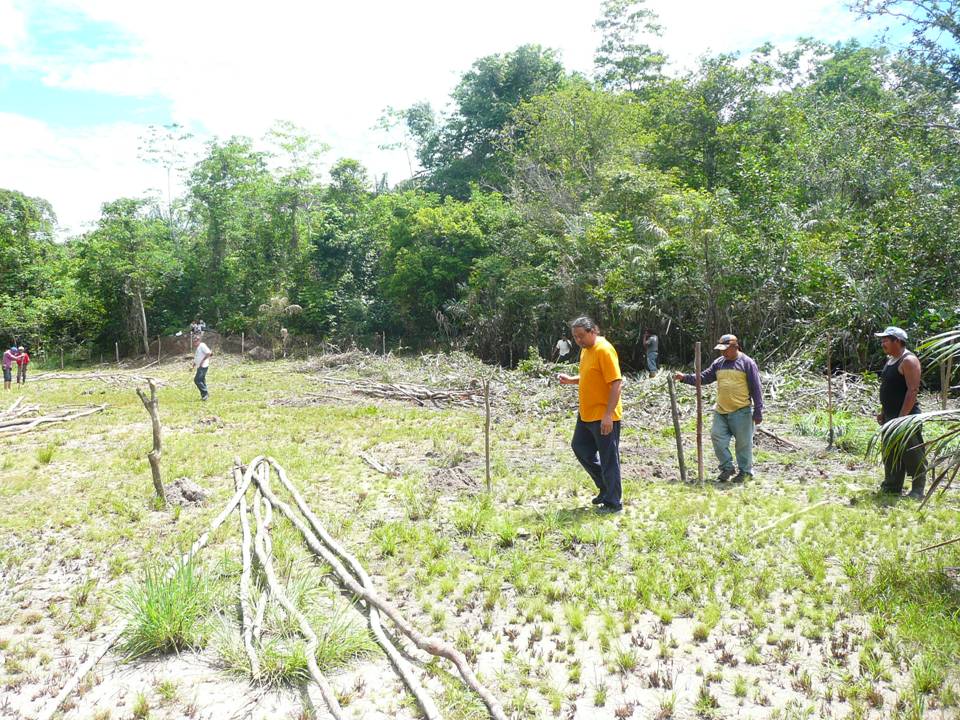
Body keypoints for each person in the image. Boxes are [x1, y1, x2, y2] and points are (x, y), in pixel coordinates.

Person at [675, 334, 763, 483]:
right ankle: (727, 467)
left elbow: (756, 388)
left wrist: (758, 410)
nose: (723, 353)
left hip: (741, 411)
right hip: (721, 411)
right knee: (717, 437)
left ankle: (745, 472)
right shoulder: (719, 363)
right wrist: (684, 378)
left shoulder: (747, 363)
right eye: (721, 350)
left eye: (726, 350)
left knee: (743, 444)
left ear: (735, 347)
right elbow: (704, 377)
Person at [558, 316, 623, 511]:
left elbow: (616, 383)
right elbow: (590, 376)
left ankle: (613, 503)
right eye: (575, 337)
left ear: (593, 331)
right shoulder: (586, 350)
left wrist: (608, 415)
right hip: (586, 414)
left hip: (603, 415)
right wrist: (571, 380)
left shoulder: (604, 350)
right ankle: (605, 487)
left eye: (581, 336)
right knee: (580, 448)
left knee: (608, 458)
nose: (578, 340)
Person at [875, 326, 926, 499]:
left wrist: (902, 418)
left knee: (912, 453)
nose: (883, 343)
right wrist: (883, 412)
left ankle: (918, 490)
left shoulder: (909, 360)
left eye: (886, 340)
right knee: (890, 452)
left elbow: (912, 391)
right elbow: (888, 389)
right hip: (890, 416)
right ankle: (891, 486)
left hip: (906, 417)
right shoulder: (891, 360)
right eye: (882, 340)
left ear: (897, 341)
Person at [192, 335, 213, 401]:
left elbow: (209, 353)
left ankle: (205, 393)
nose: (195, 342)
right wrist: (193, 366)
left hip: (203, 366)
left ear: (199, 340)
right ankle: (205, 395)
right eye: (194, 341)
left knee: (197, 380)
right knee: (202, 380)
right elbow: (196, 358)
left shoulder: (202, 345)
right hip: (199, 366)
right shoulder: (198, 347)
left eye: (196, 340)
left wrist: (202, 361)